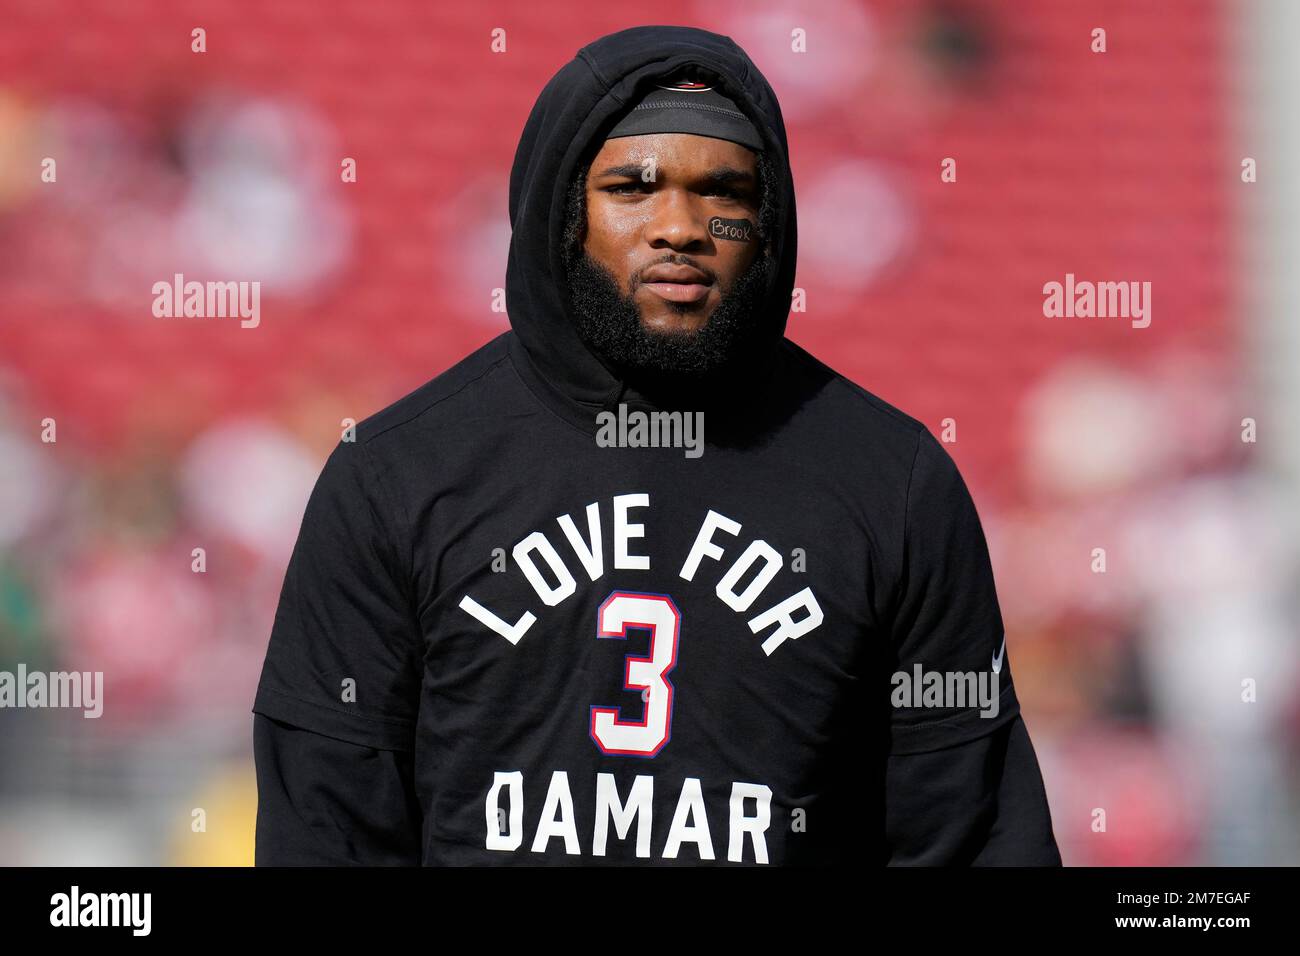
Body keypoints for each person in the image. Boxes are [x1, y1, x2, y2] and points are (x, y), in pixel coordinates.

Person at [252, 24, 1061, 866]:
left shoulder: (894, 482)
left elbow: (967, 833)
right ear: (563, 206)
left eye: (724, 191)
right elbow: (328, 828)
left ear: (770, 220)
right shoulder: (395, 475)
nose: (680, 226)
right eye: (632, 187)